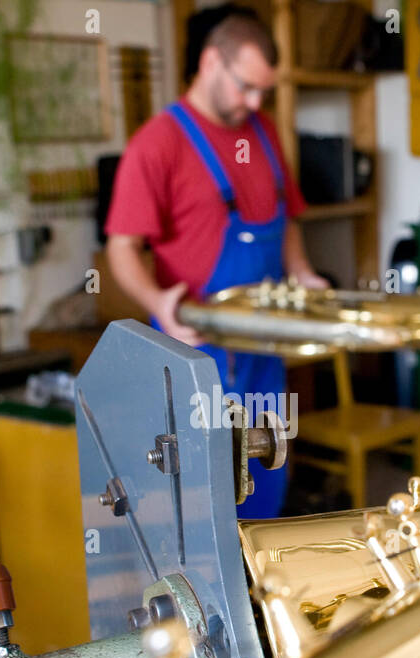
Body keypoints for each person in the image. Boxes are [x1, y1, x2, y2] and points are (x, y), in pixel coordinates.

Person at [104, 12, 327, 519]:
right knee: (208, 491)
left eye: (263, 91)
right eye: (247, 87)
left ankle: (265, 593)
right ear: (210, 62)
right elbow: (122, 247)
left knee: (271, 467)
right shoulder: (157, 144)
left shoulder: (263, 132)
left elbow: (285, 216)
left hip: (263, 347)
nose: (255, 102)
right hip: (197, 352)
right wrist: (158, 301)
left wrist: (303, 271)